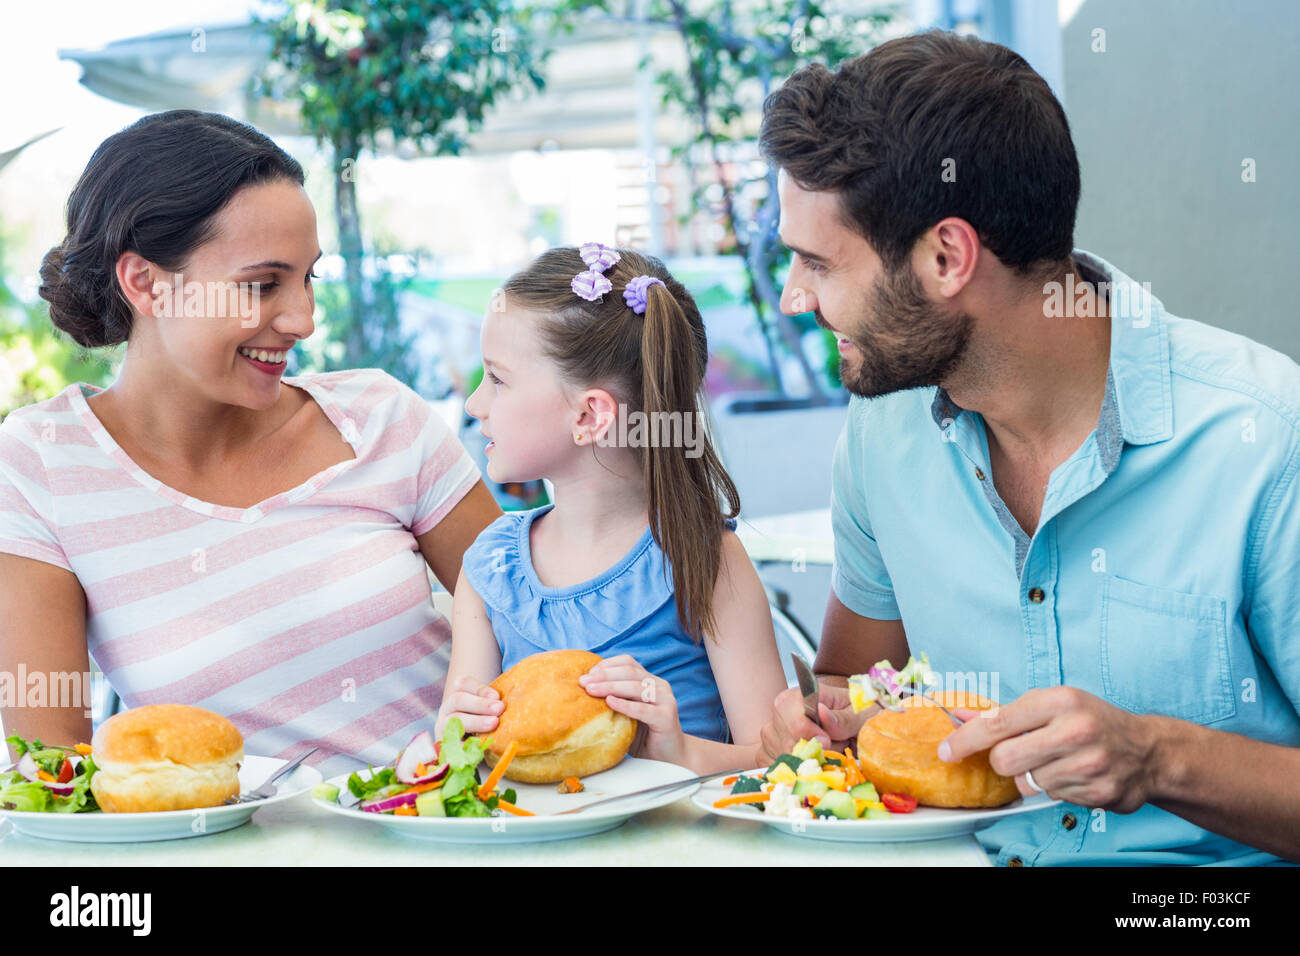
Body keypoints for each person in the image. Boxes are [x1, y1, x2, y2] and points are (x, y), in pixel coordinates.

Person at [755, 31, 1300, 865]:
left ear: (947, 257)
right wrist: (815, 722)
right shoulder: (882, 432)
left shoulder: (1263, 438)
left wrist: (1159, 757)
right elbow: (850, 687)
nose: (796, 299)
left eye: (817, 264)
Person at [0, 111, 501, 777]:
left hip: (449, 829)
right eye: (262, 284)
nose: (303, 319)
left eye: (307, 278)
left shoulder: (381, 417)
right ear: (146, 283)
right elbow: (55, 767)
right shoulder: (43, 463)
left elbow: (534, 623)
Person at [434, 244, 787, 774]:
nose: (474, 403)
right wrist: (453, 734)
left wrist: (679, 751)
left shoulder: (705, 559)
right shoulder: (487, 571)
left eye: (498, 379)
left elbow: (784, 764)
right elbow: (464, 764)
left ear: (590, 415)